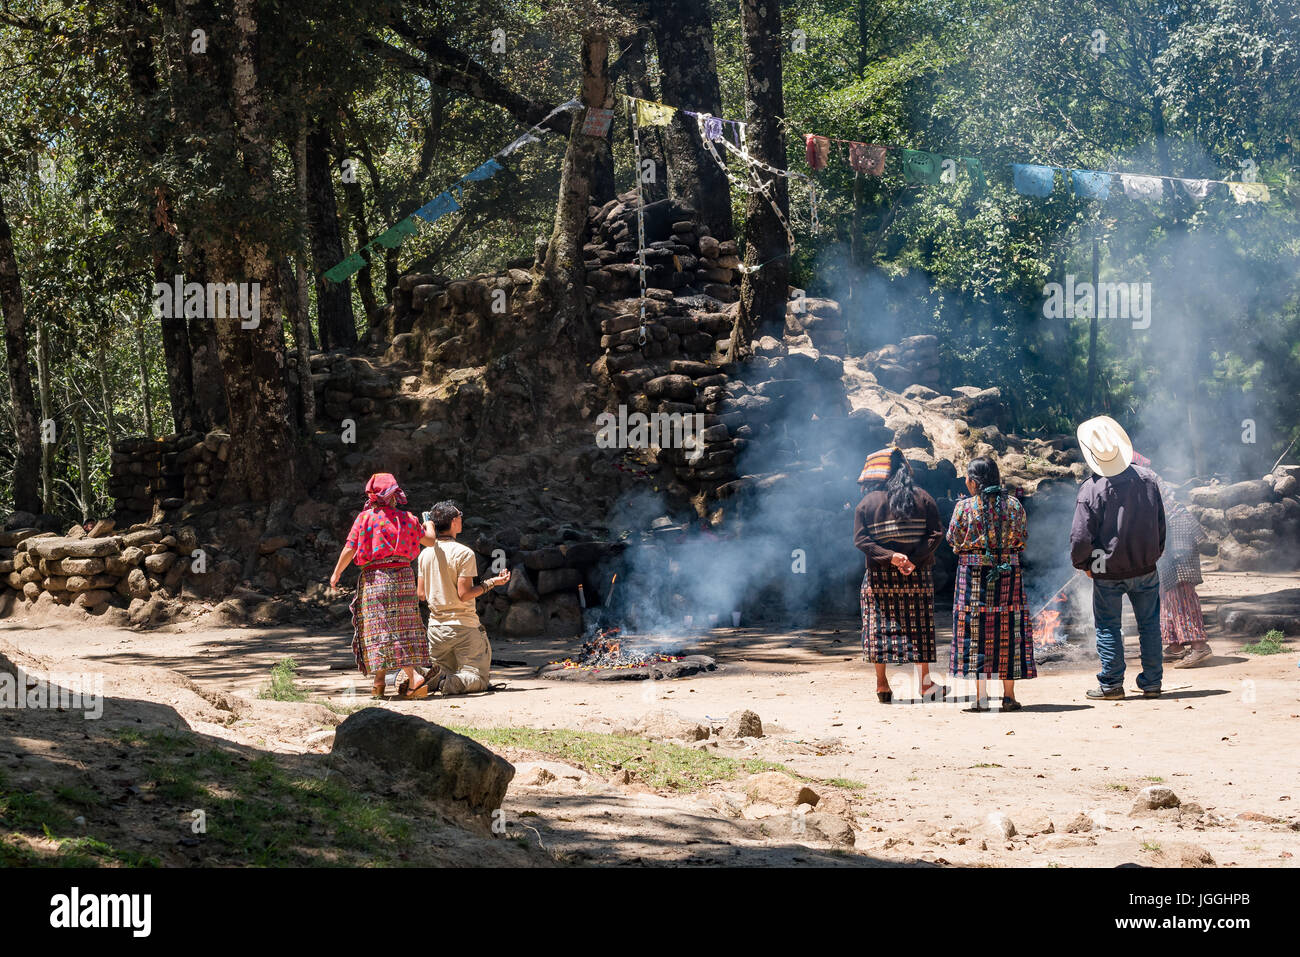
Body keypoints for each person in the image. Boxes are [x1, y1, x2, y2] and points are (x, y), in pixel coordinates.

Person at [1069, 416, 1166, 700]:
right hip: (1146, 566)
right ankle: (1152, 683)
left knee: (1109, 625)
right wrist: (1155, 553)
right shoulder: (1148, 480)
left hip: (1106, 570)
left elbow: (1080, 537)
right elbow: (1160, 524)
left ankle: (1111, 684)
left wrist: (1083, 564)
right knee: (1149, 625)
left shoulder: (1091, 488)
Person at [853, 447, 946, 703]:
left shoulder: (866, 503)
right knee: (920, 629)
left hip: (879, 578)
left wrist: (890, 556)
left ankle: (882, 685)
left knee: (878, 628)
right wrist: (913, 560)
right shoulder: (924, 498)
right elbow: (936, 534)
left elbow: (861, 540)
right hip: (916, 576)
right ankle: (926, 685)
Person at [329, 473, 432, 699]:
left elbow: (350, 548)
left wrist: (336, 573)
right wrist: (429, 524)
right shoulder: (408, 519)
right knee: (402, 626)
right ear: (395, 494)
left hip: (377, 578)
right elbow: (430, 540)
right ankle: (379, 683)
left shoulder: (365, 518)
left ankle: (414, 678)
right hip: (404, 578)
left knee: (382, 628)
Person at [946, 457, 1036, 711]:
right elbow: (1022, 537)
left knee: (975, 633)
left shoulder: (964, 507)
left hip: (972, 576)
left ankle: (981, 698)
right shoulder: (1014, 505)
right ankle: (1008, 696)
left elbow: (952, 538)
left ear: (973, 482)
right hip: (1009, 575)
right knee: (1008, 630)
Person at [412, 500, 510, 697]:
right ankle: (452, 684)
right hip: (463, 626)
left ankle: (421, 677)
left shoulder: (425, 554)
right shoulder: (464, 553)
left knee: (442, 671)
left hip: (436, 629)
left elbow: (421, 594)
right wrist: (492, 583)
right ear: (454, 521)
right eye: (460, 516)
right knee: (477, 677)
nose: (461, 519)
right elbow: (464, 594)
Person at [1132, 452, 1214, 668]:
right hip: (1164, 532)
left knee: (1180, 589)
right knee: (1165, 589)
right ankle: (1175, 646)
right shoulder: (1137, 476)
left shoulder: (1140, 477)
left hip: (1175, 531)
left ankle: (1199, 646)